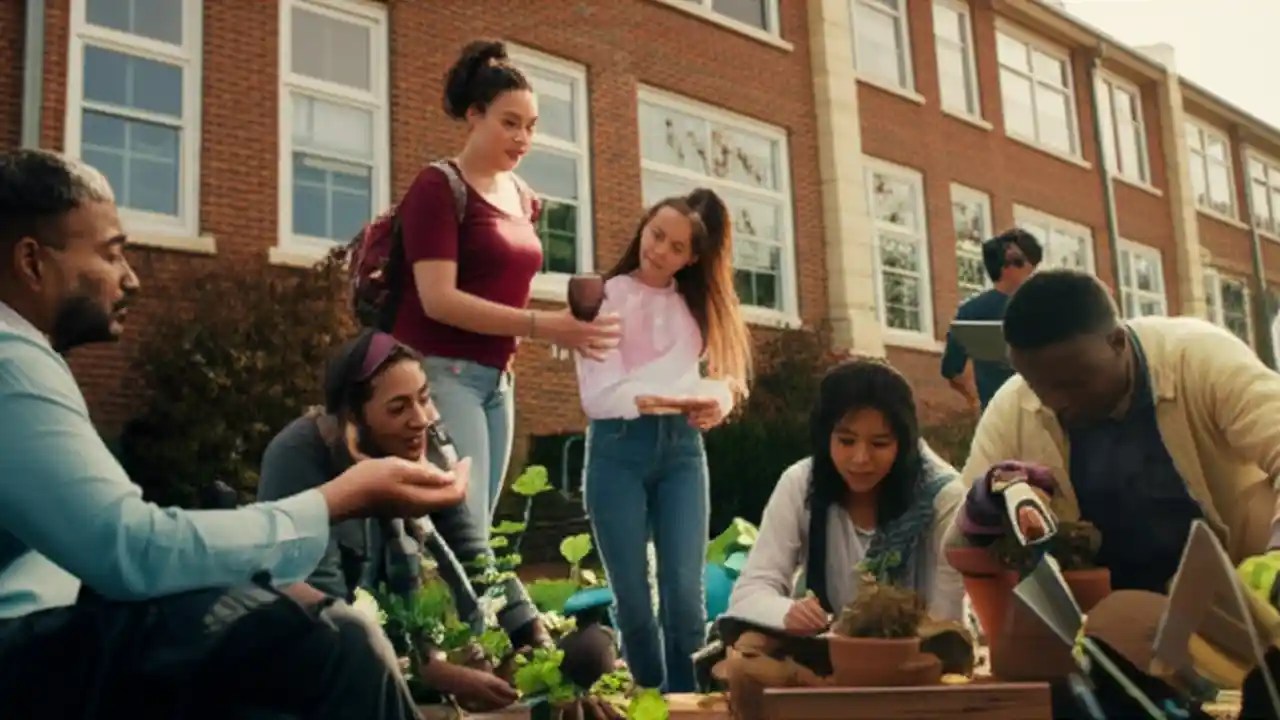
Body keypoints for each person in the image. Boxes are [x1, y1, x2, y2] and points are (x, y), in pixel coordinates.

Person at [0, 148, 473, 718]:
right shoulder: (11, 361)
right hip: (23, 660)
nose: (131, 278)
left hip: (57, 632)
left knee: (284, 619)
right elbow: (130, 548)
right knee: (330, 644)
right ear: (32, 261)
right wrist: (332, 503)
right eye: (111, 253)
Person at [394, 40, 620, 533]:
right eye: (510, 122)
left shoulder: (524, 199)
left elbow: (505, 284)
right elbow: (438, 299)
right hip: (442, 372)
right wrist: (544, 326)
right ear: (475, 115)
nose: (523, 138)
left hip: (498, 380)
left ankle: (463, 611)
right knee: (466, 529)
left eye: (531, 127)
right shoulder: (438, 186)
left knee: (477, 526)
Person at [258, 329, 545, 712]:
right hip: (324, 665)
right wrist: (432, 672)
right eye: (398, 408)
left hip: (403, 645)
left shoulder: (430, 440)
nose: (421, 419)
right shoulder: (301, 458)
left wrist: (528, 631)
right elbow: (327, 616)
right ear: (354, 419)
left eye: (425, 398)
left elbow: (472, 553)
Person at [946, 269, 1279, 598]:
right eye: (1037, 386)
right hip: (1111, 613)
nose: (1055, 402)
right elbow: (954, 545)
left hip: (1245, 589)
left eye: (1073, 383)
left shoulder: (1199, 357)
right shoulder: (1014, 405)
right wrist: (983, 509)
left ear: (1117, 341)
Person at [575, 188, 752, 692]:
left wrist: (717, 397)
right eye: (657, 235)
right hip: (617, 451)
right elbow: (599, 394)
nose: (660, 251)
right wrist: (663, 396)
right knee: (631, 597)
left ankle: (687, 701)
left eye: (677, 248)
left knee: (685, 595)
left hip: (681, 453)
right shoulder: (607, 295)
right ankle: (649, 699)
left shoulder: (695, 306)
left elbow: (721, 379)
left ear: (692, 257)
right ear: (643, 227)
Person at [725, 358, 966, 635]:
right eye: (846, 441)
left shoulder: (943, 498)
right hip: (829, 654)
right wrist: (788, 613)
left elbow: (948, 623)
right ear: (825, 437)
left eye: (880, 444)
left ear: (904, 443)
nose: (861, 458)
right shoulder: (802, 483)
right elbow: (750, 593)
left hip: (916, 658)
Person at [939, 228, 1042, 411]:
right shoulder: (1043, 307)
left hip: (999, 413)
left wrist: (975, 398)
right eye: (1027, 263)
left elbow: (951, 370)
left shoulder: (970, 311)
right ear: (1007, 266)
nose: (1032, 270)